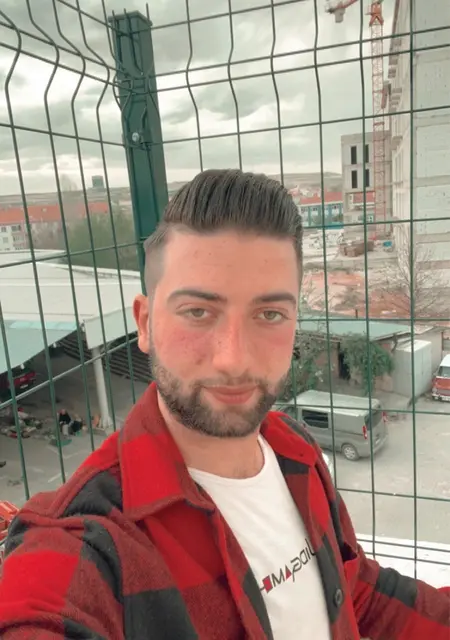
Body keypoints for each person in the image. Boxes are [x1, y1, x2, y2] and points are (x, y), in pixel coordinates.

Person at [0, 169, 448, 639]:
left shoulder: (294, 447)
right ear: (146, 324)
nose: (233, 358)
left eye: (269, 314)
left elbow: (352, 591)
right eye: (198, 312)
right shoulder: (87, 540)